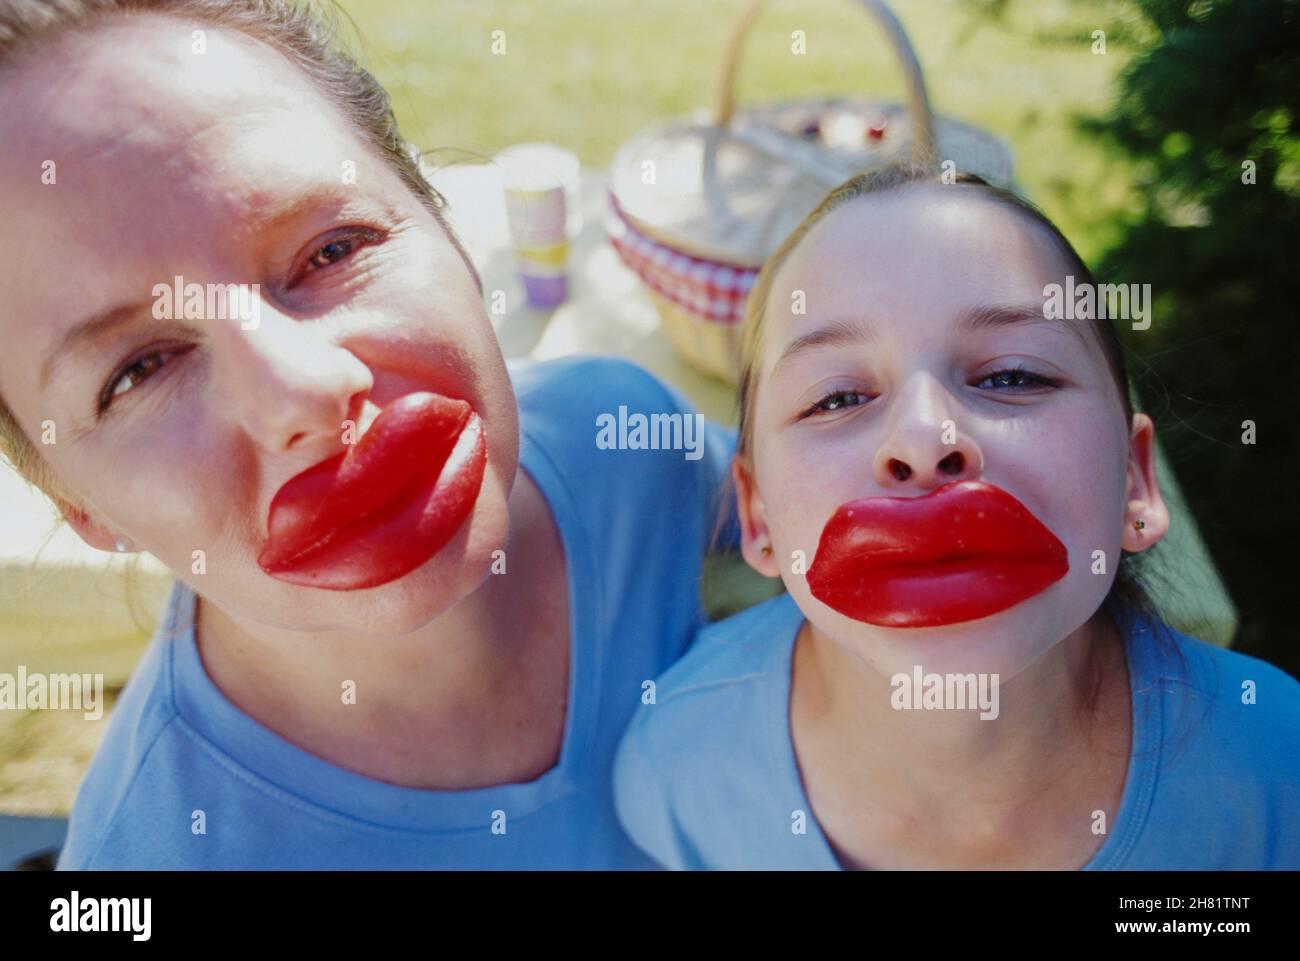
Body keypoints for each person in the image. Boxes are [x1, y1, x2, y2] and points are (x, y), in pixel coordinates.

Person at [0, 0, 732, 868]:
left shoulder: (629, 439)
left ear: (450, 231)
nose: (306, 391)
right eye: (140, 369)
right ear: (77, 503)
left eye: (332, 249)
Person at [613, 160, 1300, 870]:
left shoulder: (1280, 777)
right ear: (757, 517)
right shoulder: (677, 769)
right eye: (837, 397)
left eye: (1012, 375)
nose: (924, 439)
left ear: (1134, 482)